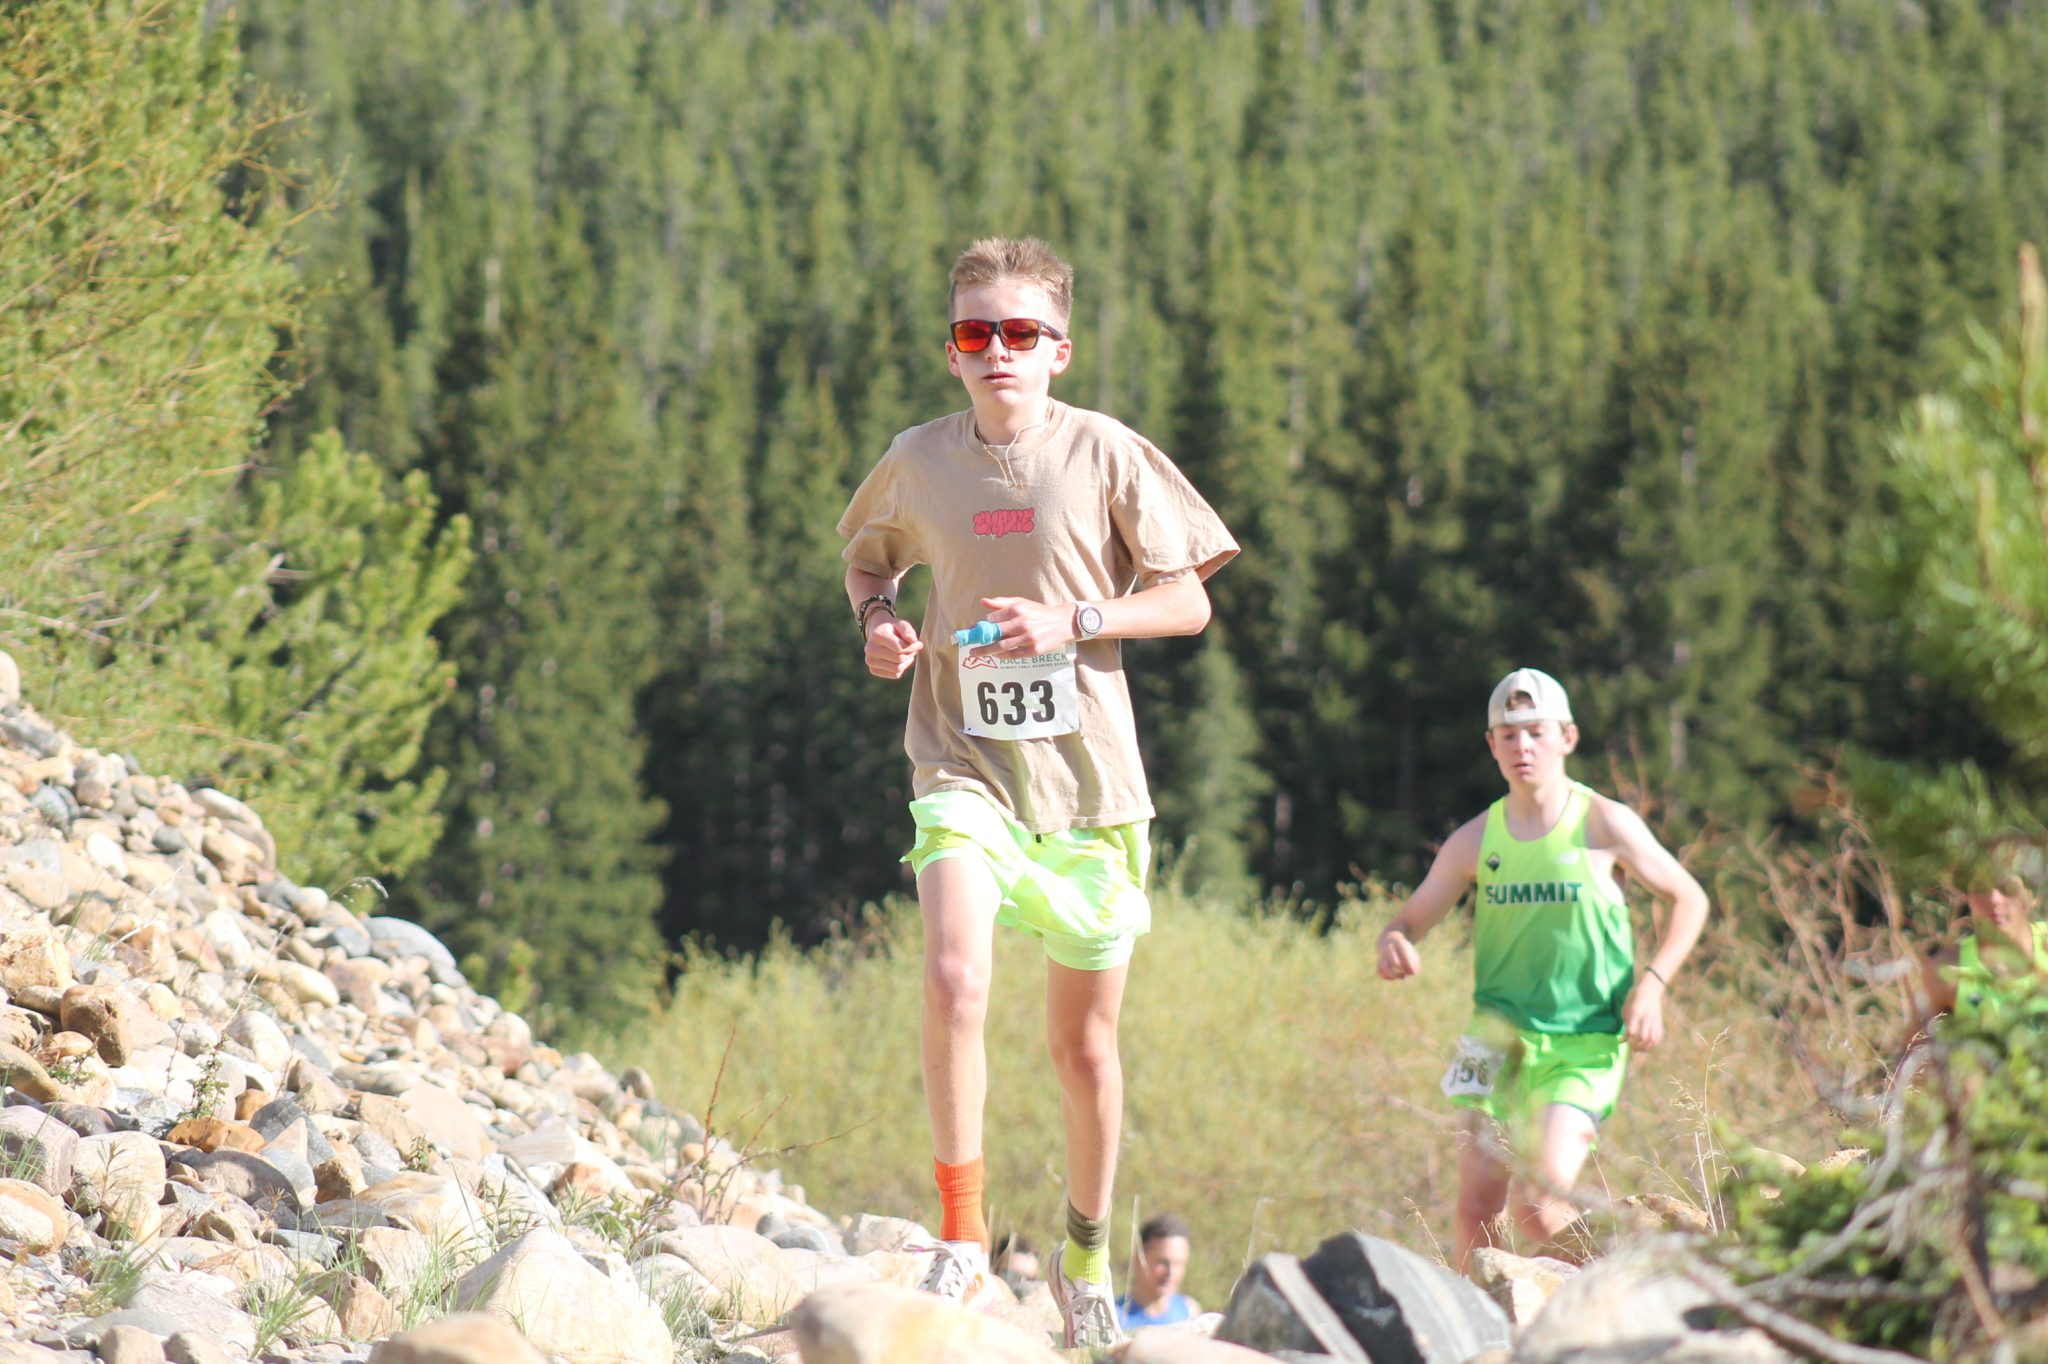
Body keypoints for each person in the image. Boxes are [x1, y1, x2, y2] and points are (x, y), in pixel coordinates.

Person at [839, 236, 1238, 1347]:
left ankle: (1082, 1252)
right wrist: (878, 623)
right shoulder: (917, 461)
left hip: (1090, 788)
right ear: (951, 351)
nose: (998, 350)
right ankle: (960, 1239)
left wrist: (1073, 620)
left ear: (1059, 348)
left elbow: (1186, 602)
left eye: (1020, 332)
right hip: (960, 763)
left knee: (1083, 1049)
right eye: (976, 332)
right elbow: (867, 560)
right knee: (956, 971)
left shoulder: (1106, 452)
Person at [1376, 667, 1710, 1270]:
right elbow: (1408, 920)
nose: (1521, 746)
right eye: (1508, 734)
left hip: (1583, 1041)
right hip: (1492, 1036)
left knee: (1539, 1208)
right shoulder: (1476, 840)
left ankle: (1636, 1277)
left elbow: (1690, 899)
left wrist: (1653, 987)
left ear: (1567, 738)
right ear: (1491, 745)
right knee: (1475, 1203)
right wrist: (1394, 941)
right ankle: (1480, 1337)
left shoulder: (1604, 824)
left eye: (1535, 732)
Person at [1913, 859, 2046, 1036]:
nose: (1994, 899)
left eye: (2006, 888)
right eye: (1981, 889)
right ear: (1968, 897)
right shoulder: (1946, 971)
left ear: (2032, 896)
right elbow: (1911, 1055)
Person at [1116, 1212, 1202, 1332]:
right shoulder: (1115, 1318)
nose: (1171, 1272)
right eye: (1163, 1262)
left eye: (1178, 1264)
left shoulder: (1190, 1313)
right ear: (1138, 1260)